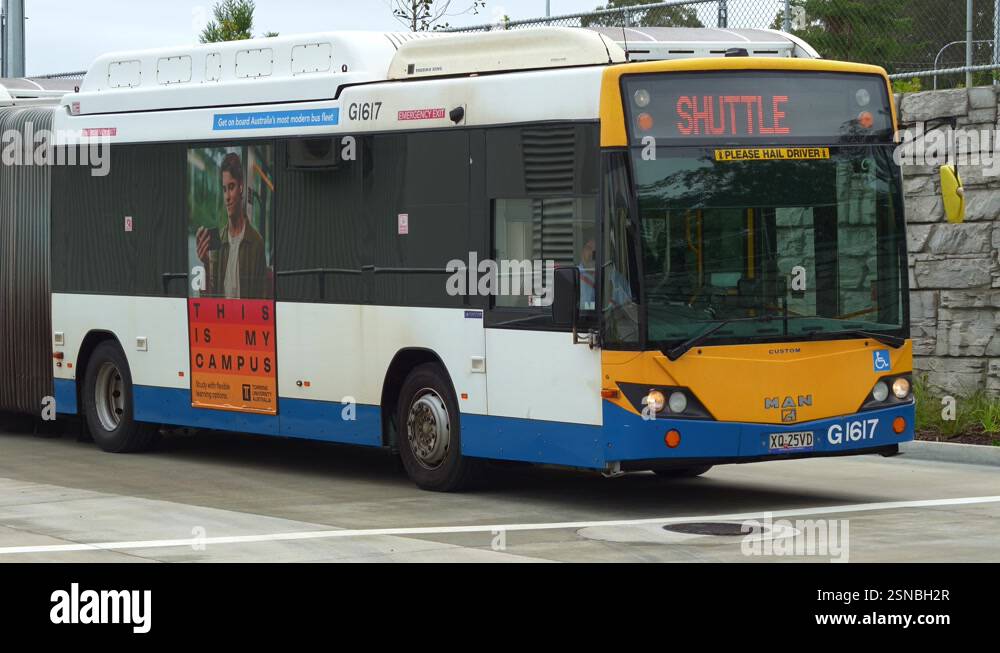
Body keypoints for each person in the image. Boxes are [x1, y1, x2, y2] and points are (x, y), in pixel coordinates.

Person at [196, 152, 270, 299]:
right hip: (220, 320)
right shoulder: (218, 241)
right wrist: (205, 264)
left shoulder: (256, 243)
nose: (227, 197)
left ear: (241, 187)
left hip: (244, 321)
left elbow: (262, 299)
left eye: (231, 187)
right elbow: (206, 301)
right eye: (224, 189)